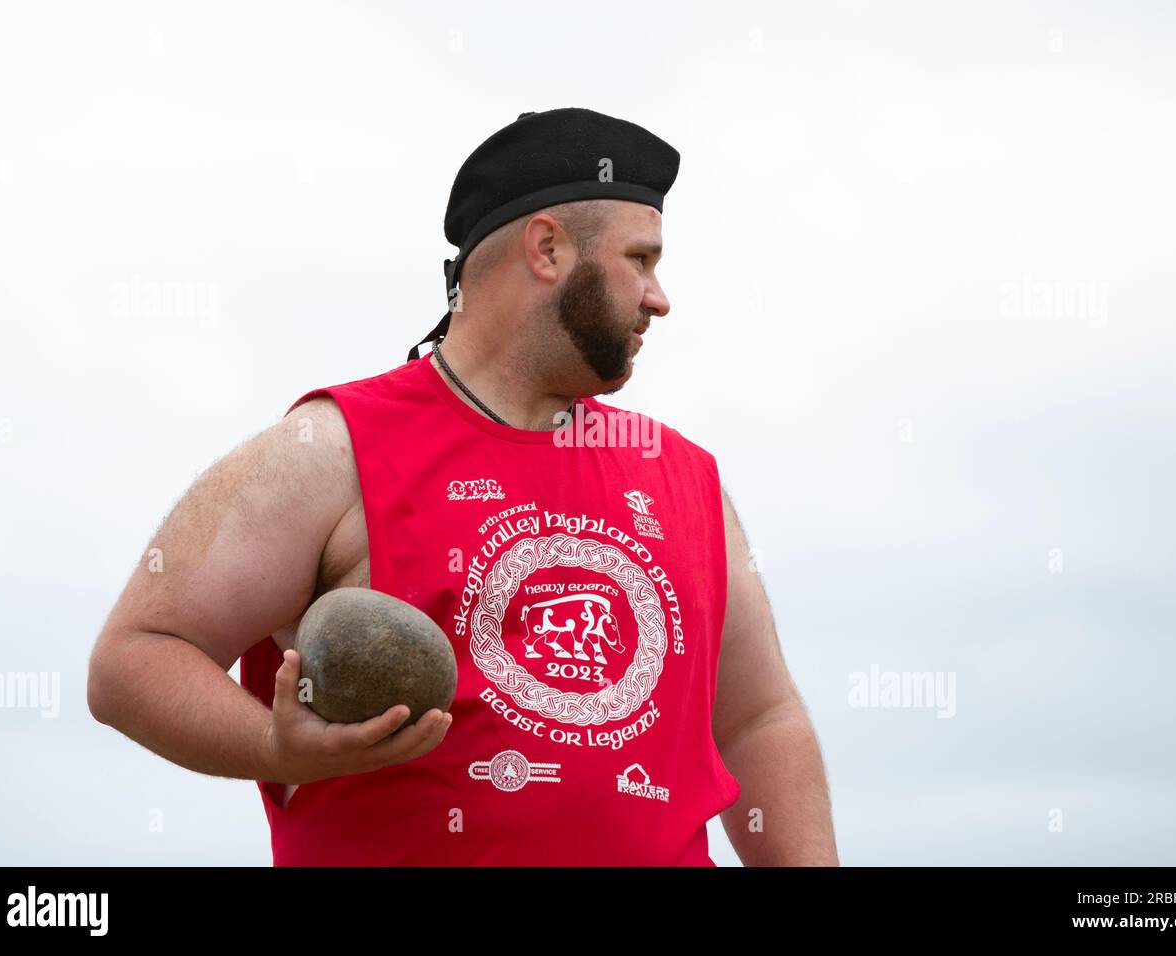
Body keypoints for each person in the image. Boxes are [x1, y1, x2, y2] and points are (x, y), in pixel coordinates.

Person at [87, 107, 839, 866]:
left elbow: (758, 720)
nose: (659, 296)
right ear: (546, 249)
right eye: (639, 260)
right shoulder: (335, 449)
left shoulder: (685, 478)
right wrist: (275, 747)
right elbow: (134, 658)